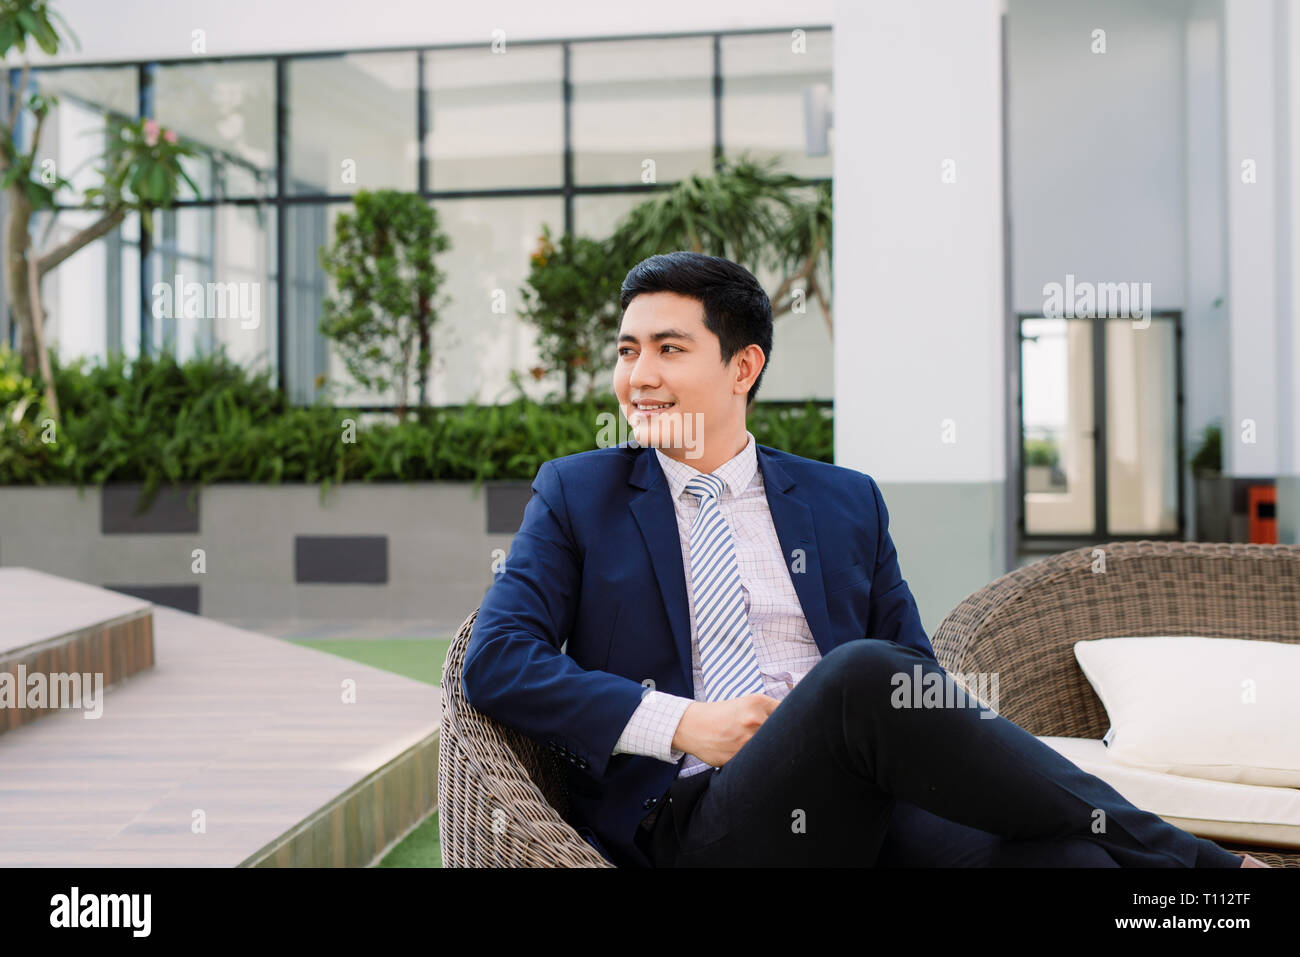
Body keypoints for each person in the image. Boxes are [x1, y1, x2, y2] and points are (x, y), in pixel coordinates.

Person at [462, 251, 1265, 869]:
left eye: (668, 349)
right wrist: (686, 723)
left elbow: (913, 672)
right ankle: (1210, 861)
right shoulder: (580, 492)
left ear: (743, 367)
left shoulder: (844, 499)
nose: (638, 377)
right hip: (703, 823)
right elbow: (498, 659)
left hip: (873, 807)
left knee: (1076, 860)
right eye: (628, 350)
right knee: (855, 675)